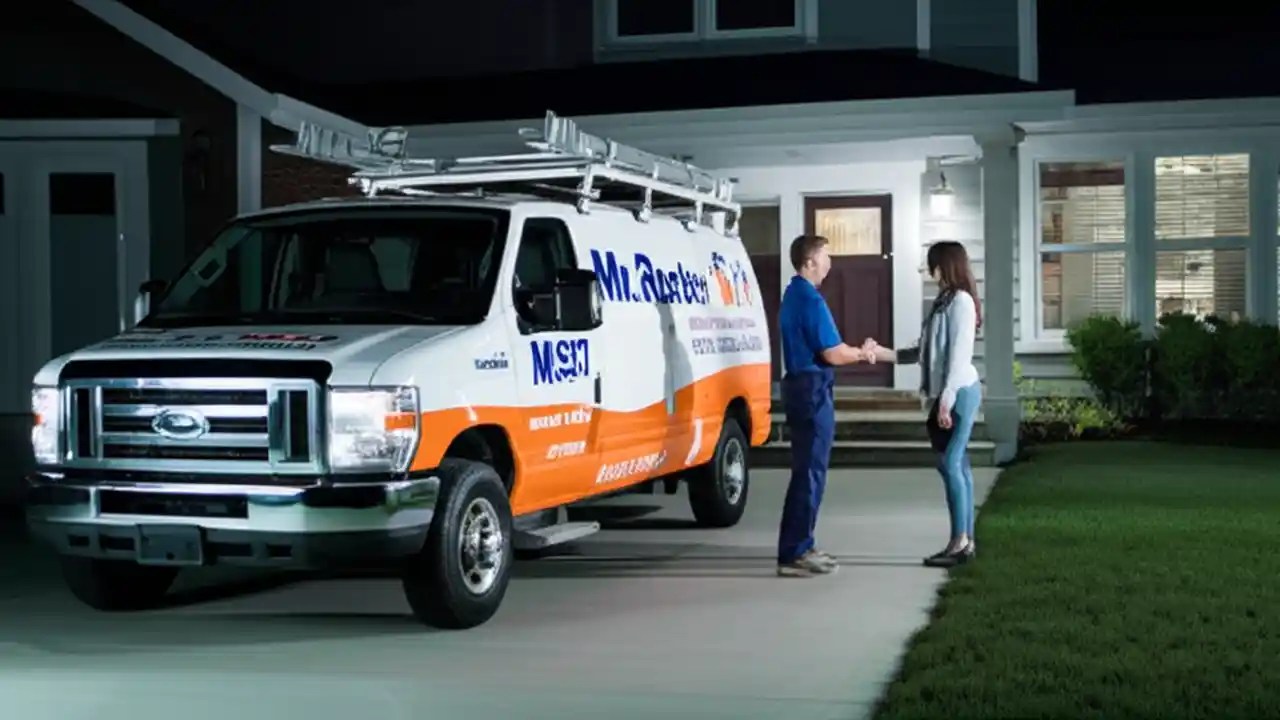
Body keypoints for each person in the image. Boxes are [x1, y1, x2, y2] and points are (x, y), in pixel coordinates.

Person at [862, 241, 982, 568]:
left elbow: (958, 358)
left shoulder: (961, 303)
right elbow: (921, 352)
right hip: (949, 393)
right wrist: (878, 353)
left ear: (943, 266)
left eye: (933, 265)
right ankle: (966, 540)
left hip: (958, 393)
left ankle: (959, 543)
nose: (930, 272)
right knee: (957, 466)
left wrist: (945, 402)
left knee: (951, 464)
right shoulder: (942, 303)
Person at [775, 234, 869, 578]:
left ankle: (802, 543)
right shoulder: (810, 300)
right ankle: (795, 552)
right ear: (810, 261)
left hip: (801, 388)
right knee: (810, 473)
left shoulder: (792, 295)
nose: (830, 262)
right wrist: (862, 352)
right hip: (812, 390)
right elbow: (832, 352)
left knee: (806, 471)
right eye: (826, 256)